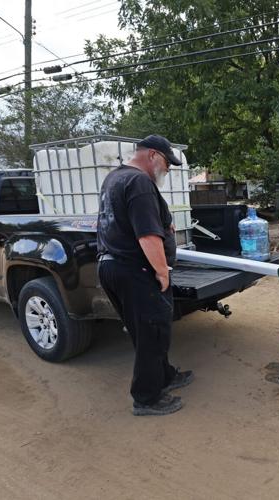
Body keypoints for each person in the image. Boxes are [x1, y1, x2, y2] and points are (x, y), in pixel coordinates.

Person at [97, 134, 193, 416]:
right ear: (152, 155)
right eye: (166, 162)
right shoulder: (140, 183)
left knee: (147, 331)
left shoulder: (114, 179)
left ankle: (165, 376)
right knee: (152, 331)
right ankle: (146, 398)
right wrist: (162, 272)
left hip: (112, 265)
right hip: (135, 269)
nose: (169, 168)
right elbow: (147, 236)